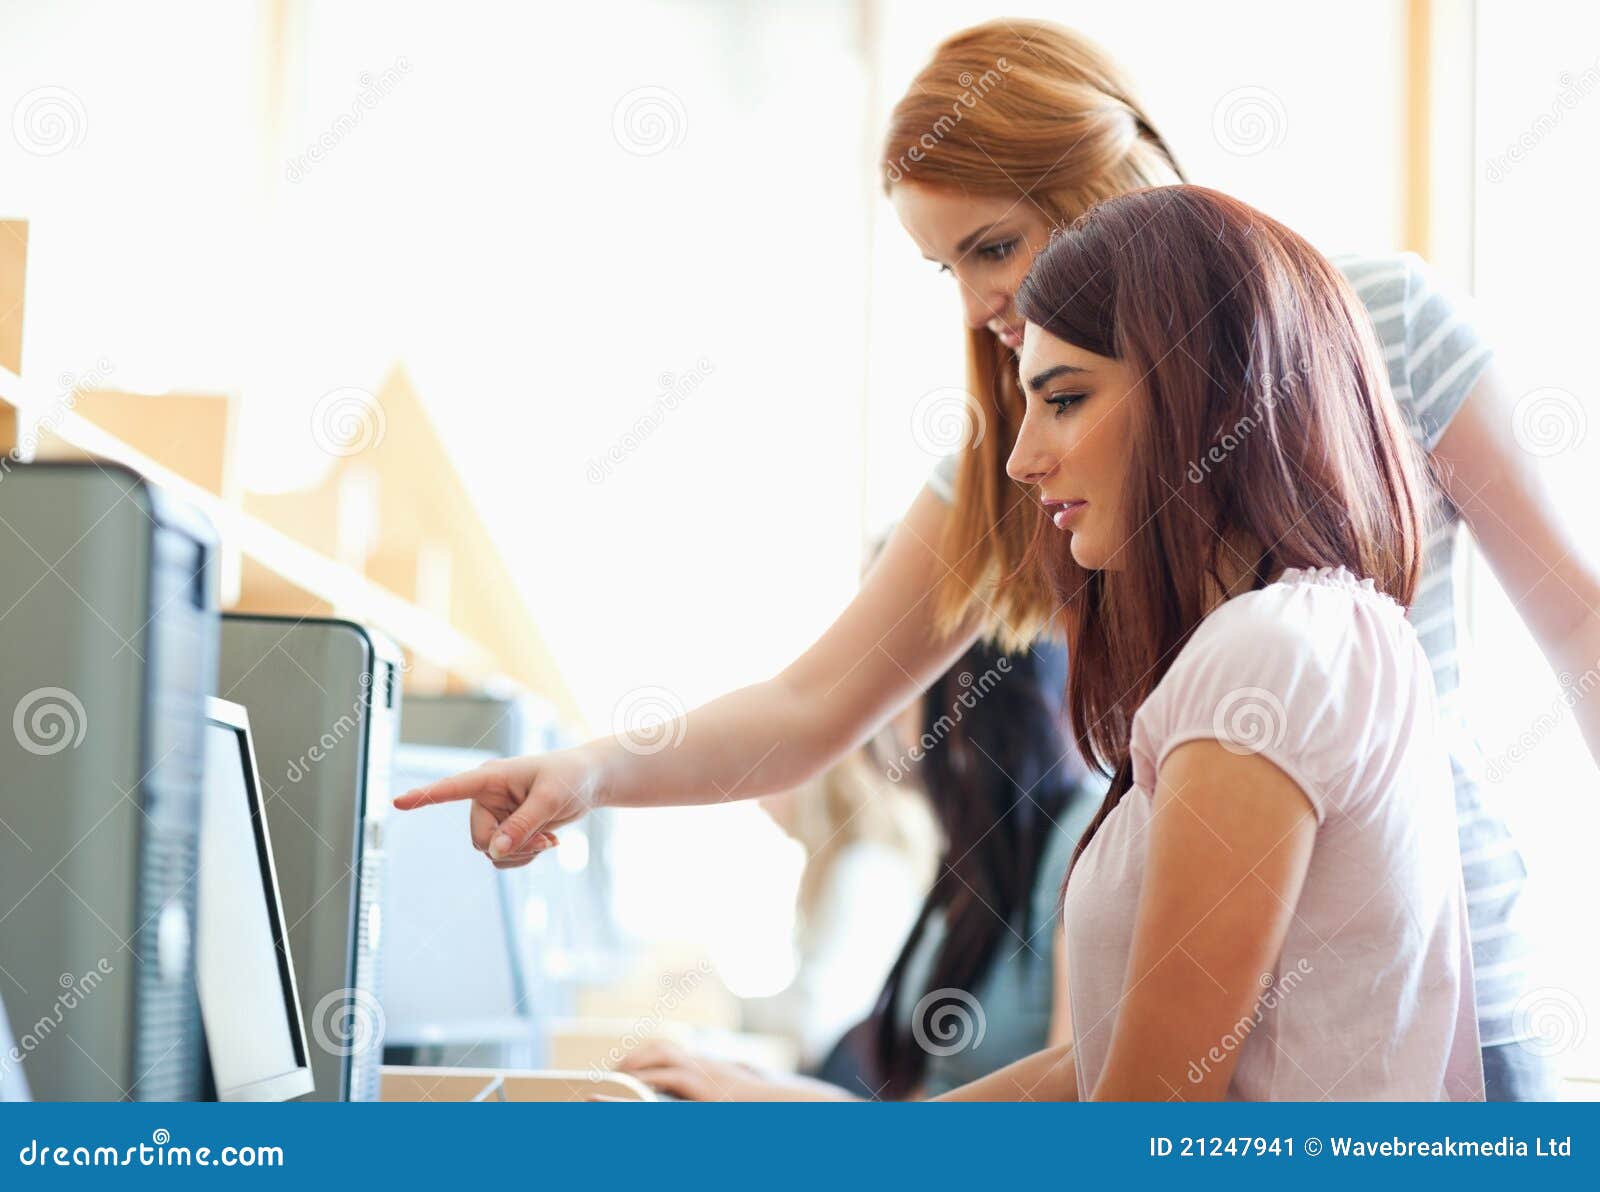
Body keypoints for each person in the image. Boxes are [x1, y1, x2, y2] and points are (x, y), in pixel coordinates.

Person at [395, 19, 1600, 1100]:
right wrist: (591, 773)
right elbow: (814, 701)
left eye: (995, 245)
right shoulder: (1022, 457)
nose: (980, 304)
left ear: (1102, 184)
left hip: (1425, 1017)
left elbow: (1578, 625)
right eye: (947, 269)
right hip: (1215, 1031)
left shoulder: (1374, 338)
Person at [945, 184, 1480, 1100]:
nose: (1022, 457)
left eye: (1065, 398)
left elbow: (1149, 1125)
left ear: (1210, 392)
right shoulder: (1327, 632)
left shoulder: (1265, 652)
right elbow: (1098, 1069)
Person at [615, 639, 1101, 1101]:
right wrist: (760, 1087)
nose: (878, 715)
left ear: (961, 686)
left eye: (897, 678)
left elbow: (1075, 1111)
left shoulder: (1081, 841)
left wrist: (773, 1099)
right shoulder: (973, 865)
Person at [740, 742, 936, 1069]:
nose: (760, 803)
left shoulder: (864, 872)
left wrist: (729, 1007)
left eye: (770, 783)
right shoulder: (856, 866)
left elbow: (812, 1022)